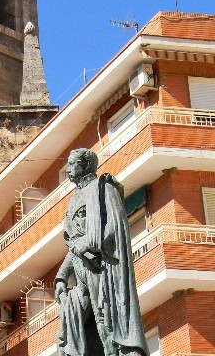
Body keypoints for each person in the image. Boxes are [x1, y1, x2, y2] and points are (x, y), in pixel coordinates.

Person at [54, 148, 149, 356]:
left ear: (86, 165)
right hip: (80, 270)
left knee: (104, 318)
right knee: (72, 324)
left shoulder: (103, 189)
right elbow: (73, 244)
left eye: (72, 164)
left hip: (101, 267)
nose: (68, 169)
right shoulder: (73, 200)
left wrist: (88, 242)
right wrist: (62, 275)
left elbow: (115, 226)